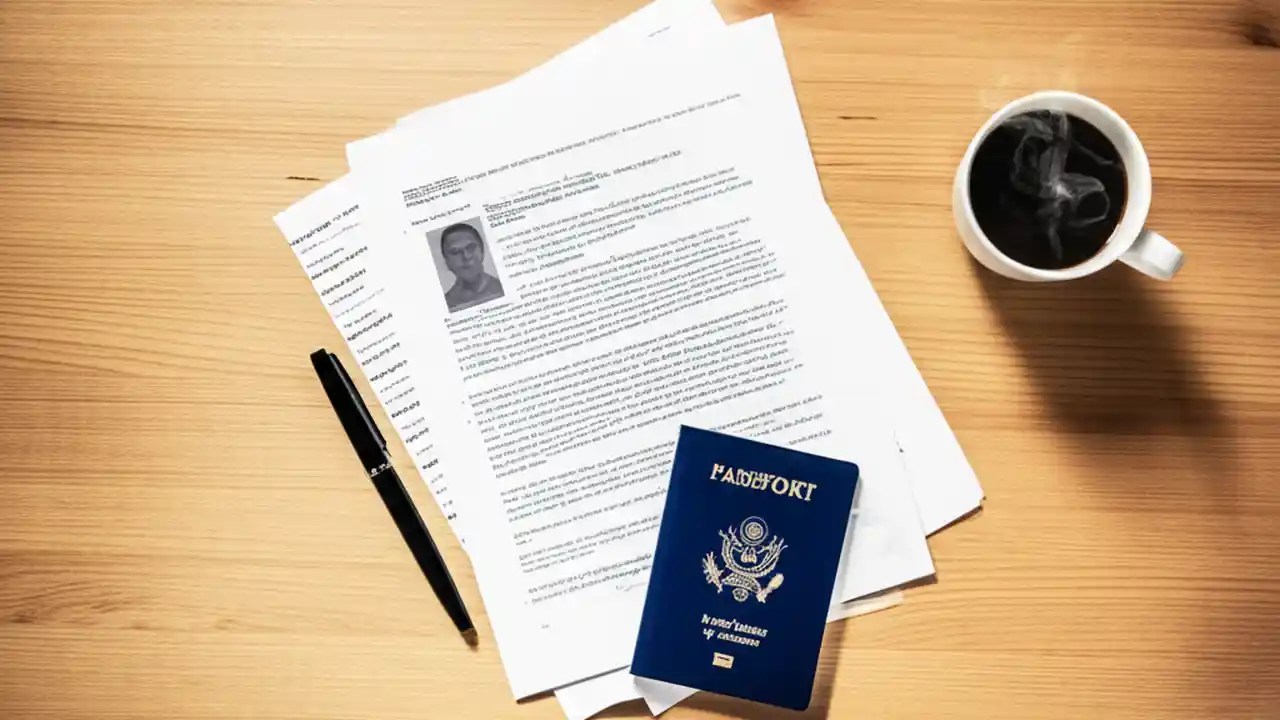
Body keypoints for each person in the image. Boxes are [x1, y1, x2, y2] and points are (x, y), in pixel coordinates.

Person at [439, 222, 504, 311]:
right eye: (455, 252)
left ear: (482, 251)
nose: (466, 256)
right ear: (447, 262)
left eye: (471, 247)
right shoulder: (444, 306)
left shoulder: (505, 288)